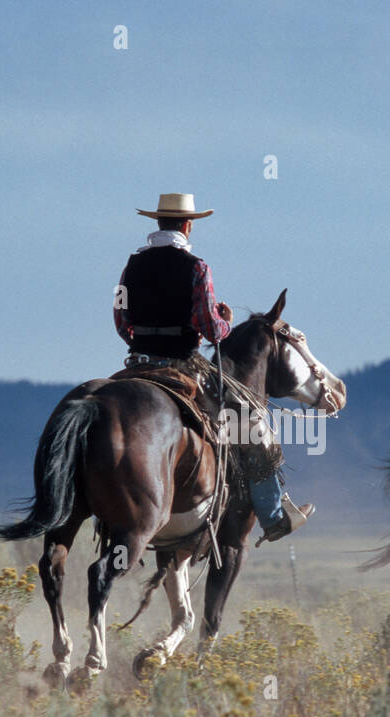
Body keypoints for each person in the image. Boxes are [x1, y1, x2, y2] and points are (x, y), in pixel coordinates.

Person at [114, 194, 312, 543]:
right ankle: (273, 517)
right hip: (182, 365)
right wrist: (225, 322)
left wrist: (140, 337)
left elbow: (120, 319)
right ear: (188, 225)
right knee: (250, 429)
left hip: (138, 363)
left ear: (158, 223)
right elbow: (209, 327)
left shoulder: (131, 266)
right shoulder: (197, 267)